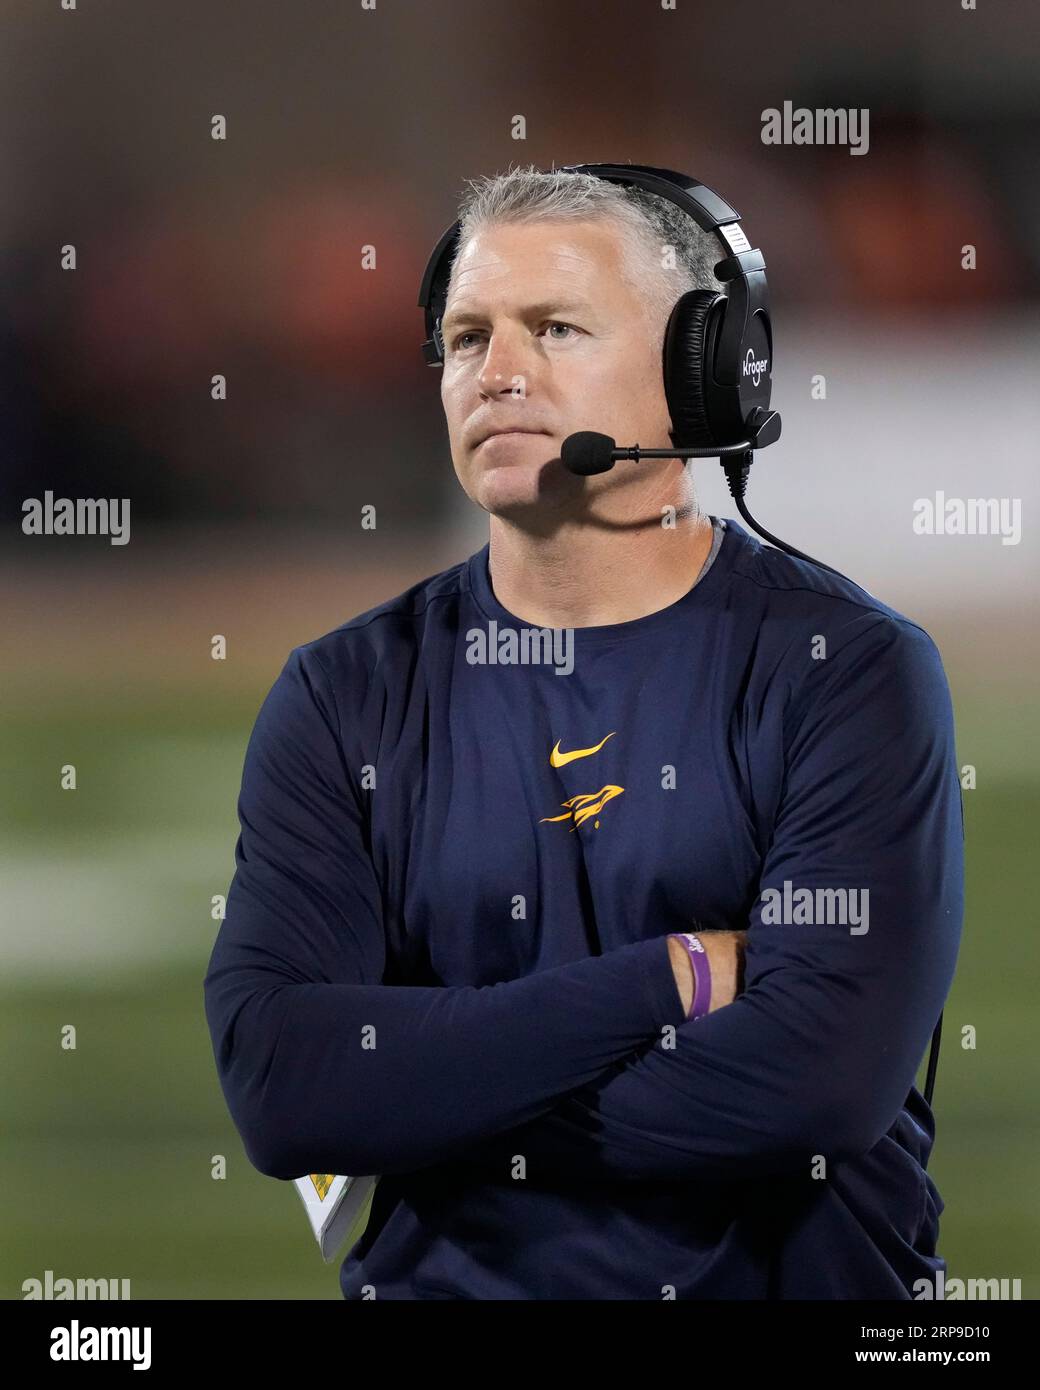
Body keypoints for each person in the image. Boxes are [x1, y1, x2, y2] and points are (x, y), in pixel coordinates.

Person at [203, 165, 964, 1299]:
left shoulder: (844, 670)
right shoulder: (342, 692)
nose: (495, 374)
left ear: (701, 372)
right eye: (465, 338)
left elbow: (811, 1089)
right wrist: (670, 979)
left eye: (553, 328)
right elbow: (284, 1092)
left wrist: (426, 1086)